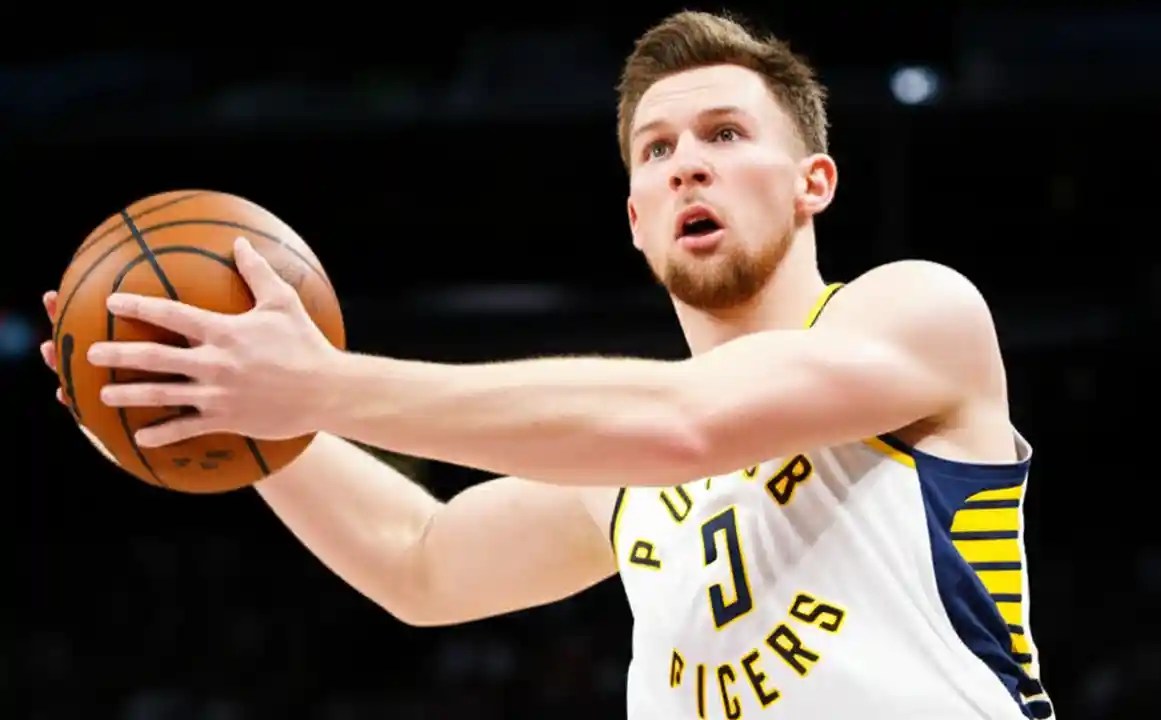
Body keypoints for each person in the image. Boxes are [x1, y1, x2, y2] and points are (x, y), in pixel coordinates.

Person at [39, 10, 1053, 719]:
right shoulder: (617, 475)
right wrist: (223, 393)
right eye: (654, 151)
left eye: (724, 133)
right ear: (634, 219)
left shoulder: (916, 312)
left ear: (811, 183)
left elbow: (685, 423)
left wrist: (315, 383)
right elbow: (419, 559)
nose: (685, 163)